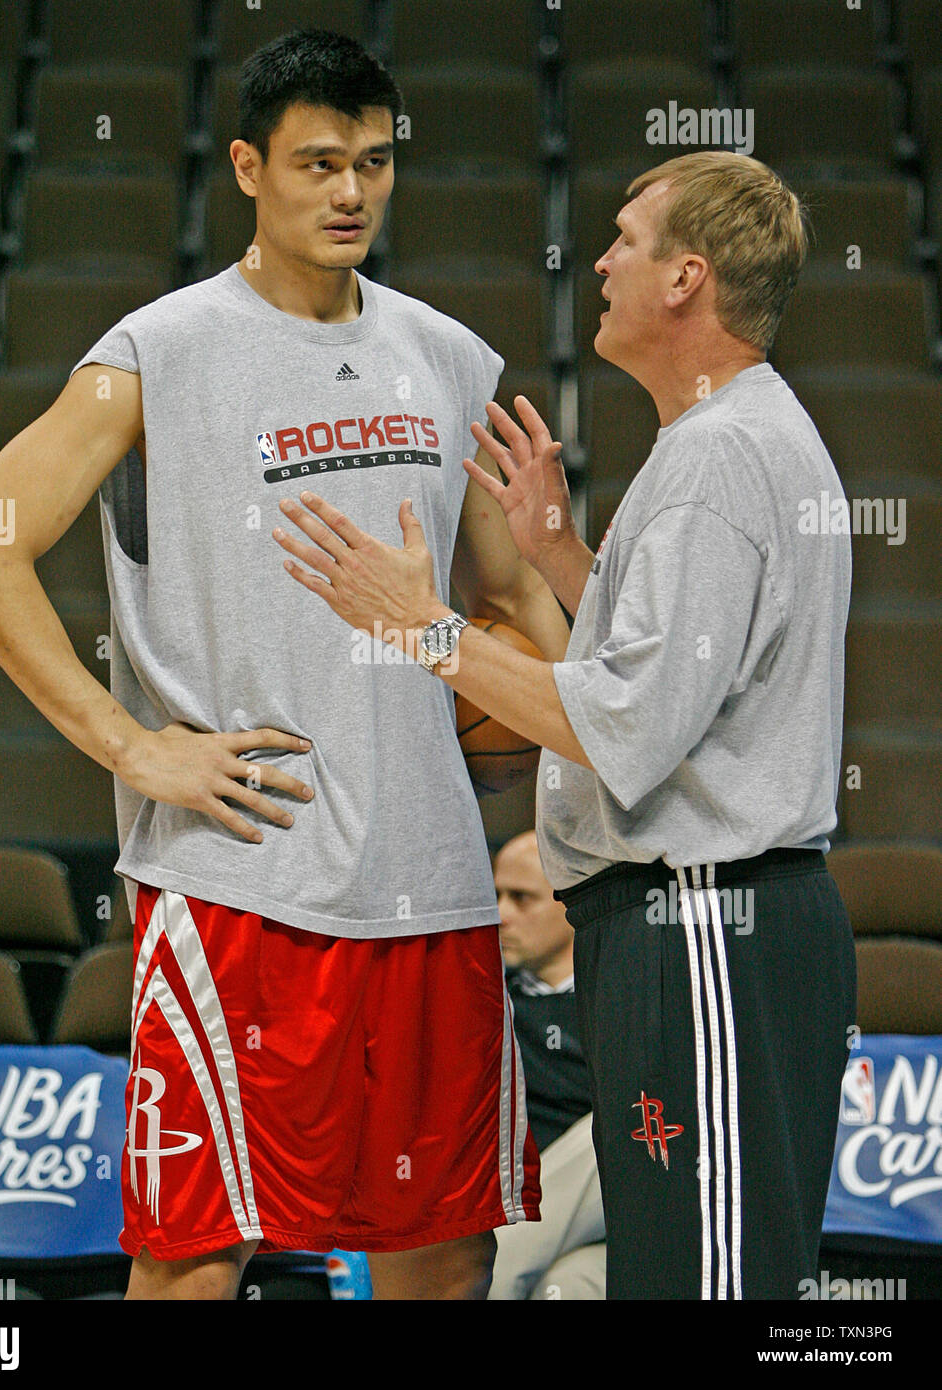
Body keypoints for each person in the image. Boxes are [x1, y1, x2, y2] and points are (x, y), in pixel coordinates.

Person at [0, 29, 574, 1300]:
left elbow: (510, 597)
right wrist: (130, 745)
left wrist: (591, 776)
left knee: (446, 1249)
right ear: (247, 166)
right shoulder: (156, 351)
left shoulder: (446, 356)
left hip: (433, 882)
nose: (351, 194)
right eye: (319, 163)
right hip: (240, 879)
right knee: (191, 1254)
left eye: (376, 164)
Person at [273, 150, 857, 1300]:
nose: (599, 258)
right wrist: (558, 556)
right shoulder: (726, 441)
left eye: (627, 238)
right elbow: (683, 678)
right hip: (696, 930)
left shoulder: (717, 458)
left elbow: (628, 726)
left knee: (713, 1286)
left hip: (706, 924)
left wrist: (424, 625)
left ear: (687, 277)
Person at [488, 831, 605, 1301]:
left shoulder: (623, 998)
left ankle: (486, 1276)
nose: (499, 915)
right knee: (568, 1287)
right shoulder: (484, 1000)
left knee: (616, 1125)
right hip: (520, 1207)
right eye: (495, 895)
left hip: (619, 1195)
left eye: (521, 898)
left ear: (573, 904)